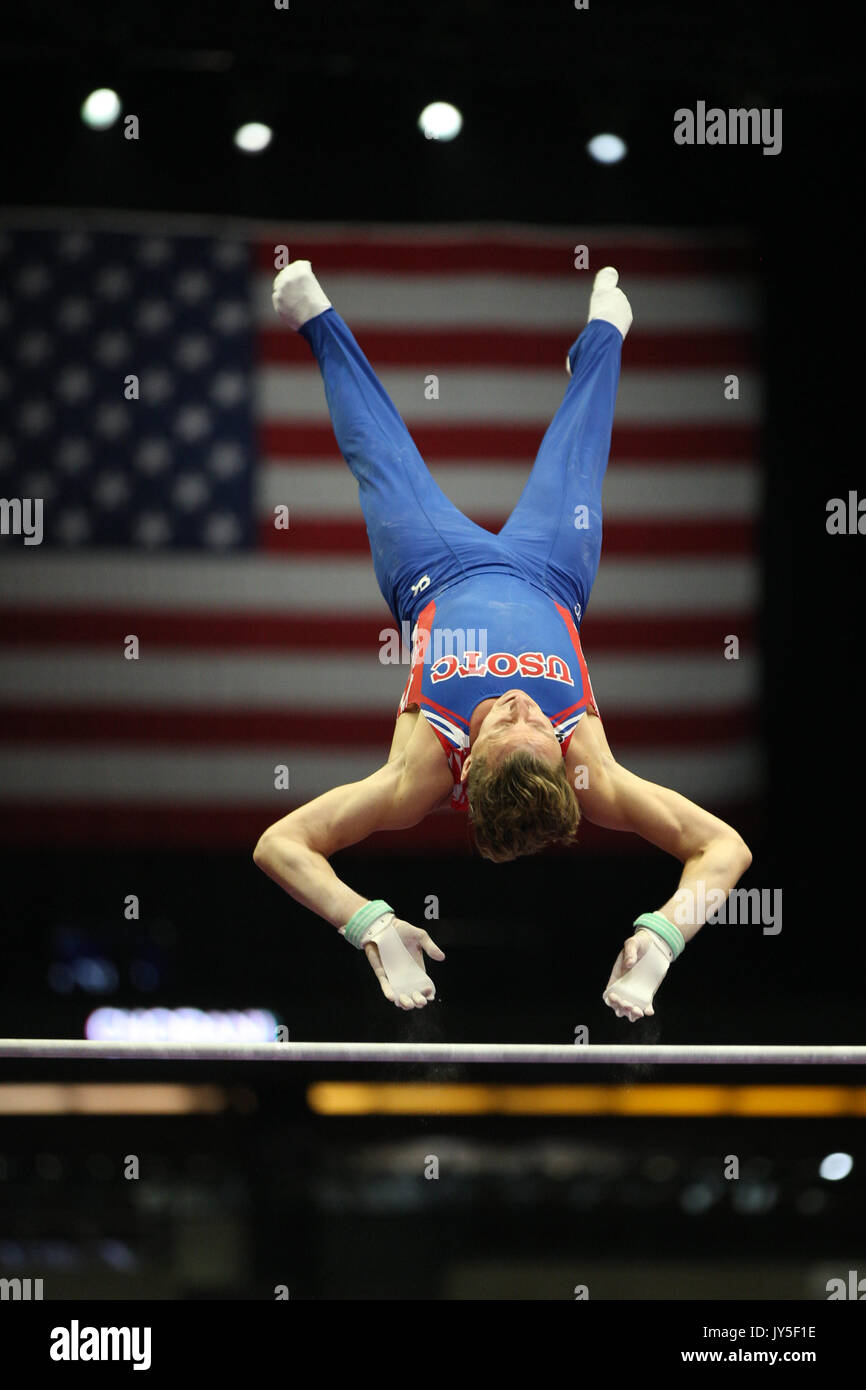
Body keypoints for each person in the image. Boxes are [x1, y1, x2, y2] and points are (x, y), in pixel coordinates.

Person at [254, 263, 752, 1020]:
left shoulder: (419, 776)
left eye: (506, 725)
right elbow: (725, 850)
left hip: (433, 572)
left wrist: (369, 923)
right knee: (578, 462)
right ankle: (605, 336)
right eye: (540, 729)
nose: (523, 706)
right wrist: (661, 939)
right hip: (552, 577)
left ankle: (317, 321)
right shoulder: (593, 771)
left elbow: (280, 844)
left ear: (467, 770)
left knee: (383, 463)